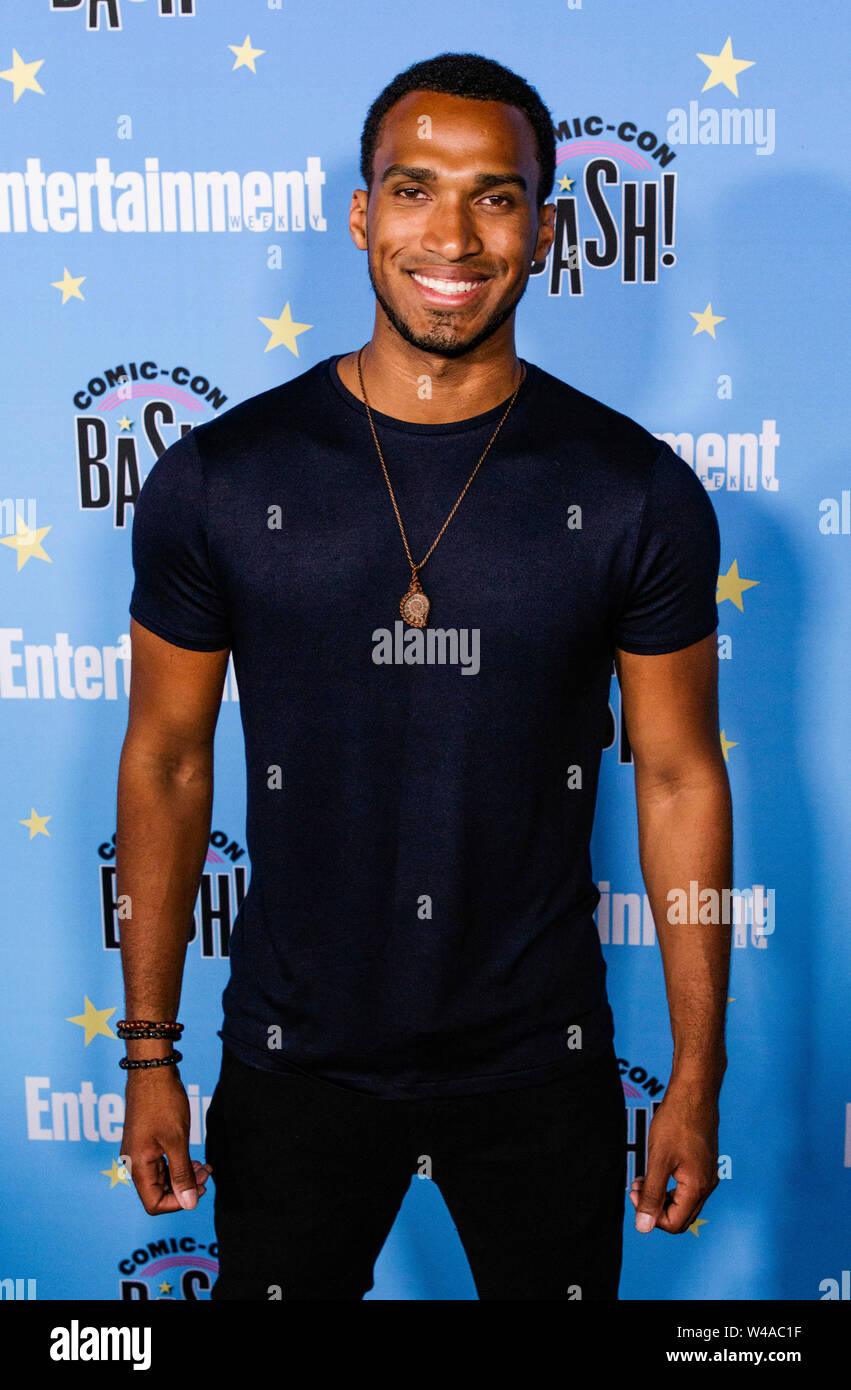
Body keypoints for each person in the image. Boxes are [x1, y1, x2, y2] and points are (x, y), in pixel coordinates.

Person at [117, 51, 732, 1301]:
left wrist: (694, 1074)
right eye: (412, 188)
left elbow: (675, 776)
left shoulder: (631, 490)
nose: (449, 232)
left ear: (544, 230)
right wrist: (146, 1053)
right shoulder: (223, 477)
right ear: (361, 215)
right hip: (293, 1059)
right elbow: (168, 760)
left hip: (539, 1062)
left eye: (494, 196)